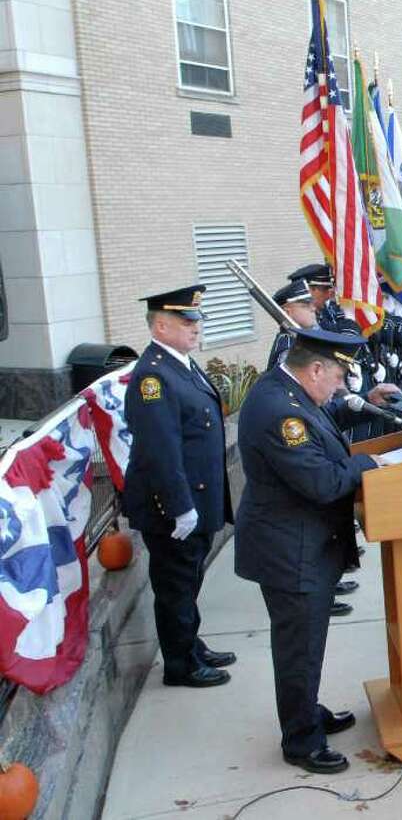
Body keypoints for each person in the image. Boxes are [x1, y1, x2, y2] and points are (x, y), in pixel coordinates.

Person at [235, 328, 399, 774]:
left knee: (306, 645)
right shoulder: (278, 412)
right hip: (292, 550)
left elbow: (321, 428)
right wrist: (368, 463)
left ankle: (307, 712)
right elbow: (321, 482)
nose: (340, 387)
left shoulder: (288, 390)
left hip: (300, 543)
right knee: (298, 648)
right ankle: (301, 741)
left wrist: (367, 403)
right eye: (339, 377)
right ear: (316, 369)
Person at [124, 285, 235, 689]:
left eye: (195, 321)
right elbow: (160, 449)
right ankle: (180, 665)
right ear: (160, 325)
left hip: (196, 498)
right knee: (175, 585)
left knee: (189, 580)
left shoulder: (181, 363)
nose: (195, 328)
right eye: (186, 322)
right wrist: (179, 506)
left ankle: (190, 645)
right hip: (173, 507)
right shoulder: (153, 376)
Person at [267, 279, 320, 369]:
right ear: (287, 313)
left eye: (311, 304)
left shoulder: (303, 338)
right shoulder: (287, 347)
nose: (313, 309)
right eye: (305, 306)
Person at [289, 263, 350, 333]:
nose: (329, 295)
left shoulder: (326, 311)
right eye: (325, 289)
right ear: (308, 290)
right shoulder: (302, 321)